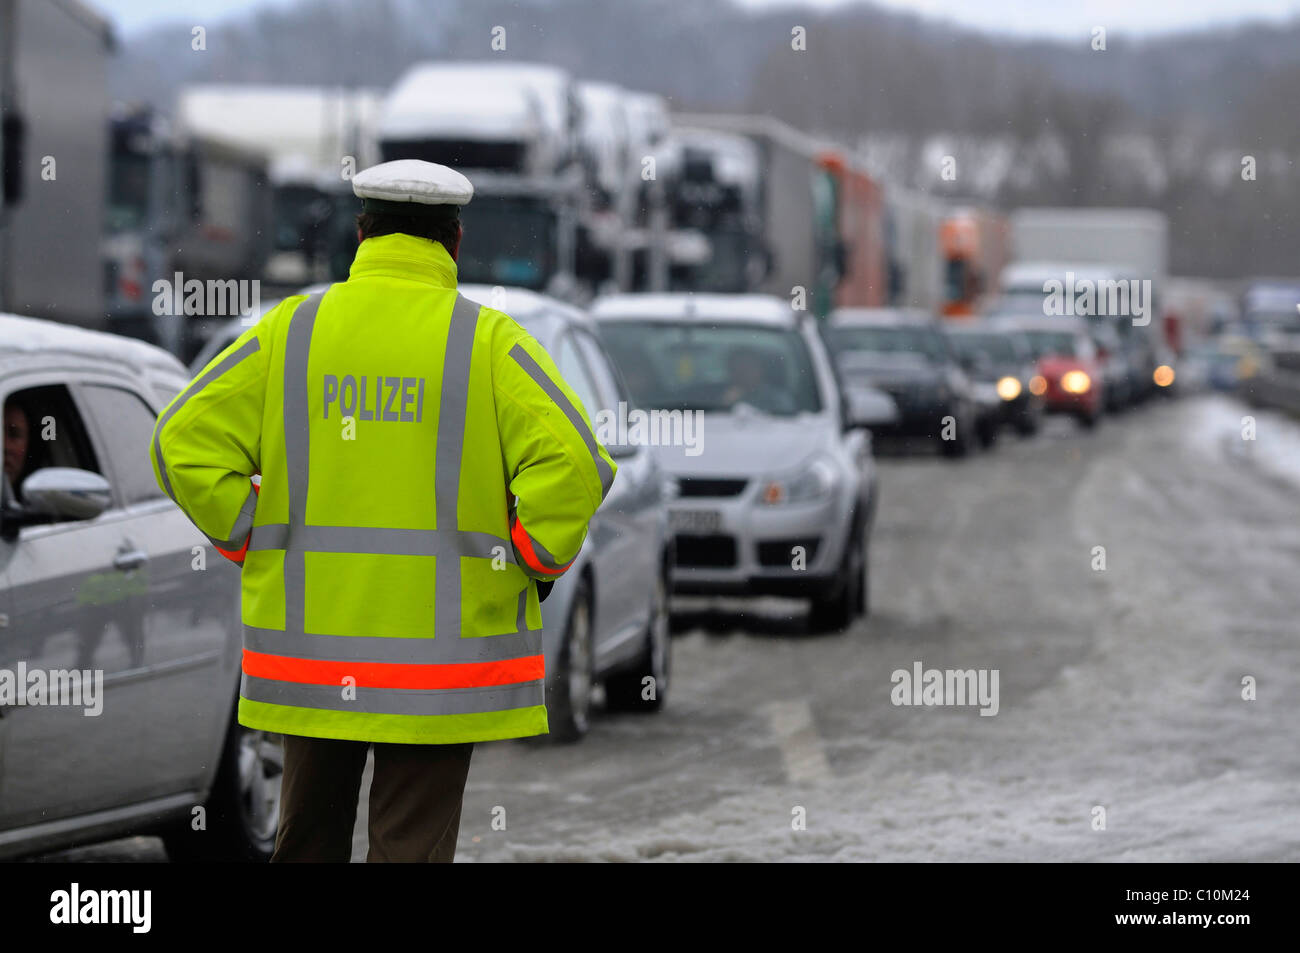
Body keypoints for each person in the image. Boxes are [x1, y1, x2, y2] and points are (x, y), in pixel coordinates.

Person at [149, 159, 616, 863]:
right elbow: (578, 461)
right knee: (409, 850)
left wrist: (253, 533)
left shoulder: (291, 331)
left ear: (362, 233)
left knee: (307, 840)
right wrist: (530, 556)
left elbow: (178, 439)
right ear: (454, 243)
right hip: (439, 666)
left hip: (311, 656)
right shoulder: (488, 343)